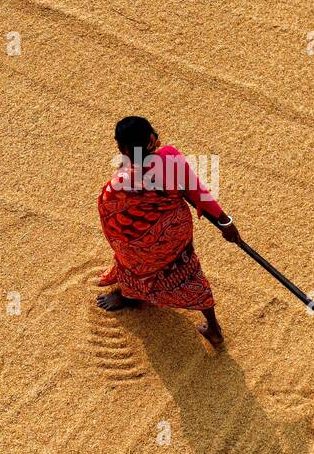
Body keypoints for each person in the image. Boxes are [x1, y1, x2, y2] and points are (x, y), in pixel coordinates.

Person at [95, 116, 240, 346]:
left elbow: (110, 210)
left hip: (134, 246)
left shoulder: (122, 179)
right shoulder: (170, 159)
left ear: (122, 148)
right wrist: (225, 223)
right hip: (173, 239)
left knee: (131, 264)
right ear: (152, 139)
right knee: (189, 273)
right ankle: (213, 328)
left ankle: (130, 296)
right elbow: (198, 192)